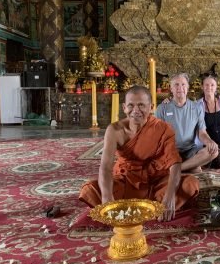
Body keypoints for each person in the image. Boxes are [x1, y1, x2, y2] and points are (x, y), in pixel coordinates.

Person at [79, 85, 199, 221]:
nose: (136, 110)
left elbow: (175, 165)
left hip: (156, 181)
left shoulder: (163, 128)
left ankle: (132, 210)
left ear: (151, 107)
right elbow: (105, 168)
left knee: (190, 183)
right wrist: (107, 198)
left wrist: (169, 196)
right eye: (131, 105)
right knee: (89, 190)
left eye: (141, 105)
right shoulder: (115, 130)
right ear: (124, 107)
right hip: (126, 181)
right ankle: (153, 210)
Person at [156, 73, 219, 173]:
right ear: (171, 88)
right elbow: (157, 135)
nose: (180, 88)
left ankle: (177, 169)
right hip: (170, 151)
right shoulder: (162, 108)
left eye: (183, 84)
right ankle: (190, 166)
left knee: (214, 152)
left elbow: (201, 133)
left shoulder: (196, 107)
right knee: (196, 170)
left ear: (188, 88)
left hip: (190, 151)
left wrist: (209, 142)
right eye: (176, 85)